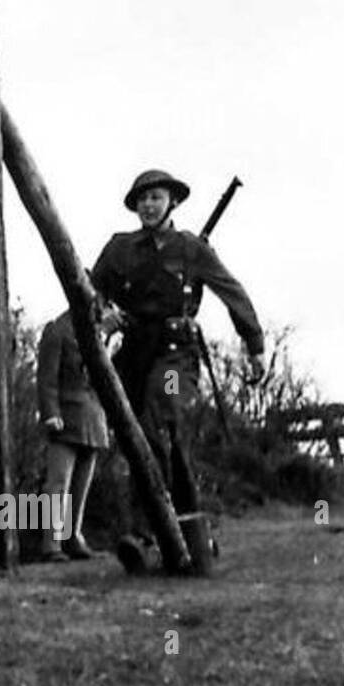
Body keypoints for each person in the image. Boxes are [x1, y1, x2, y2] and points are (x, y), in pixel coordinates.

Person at [91, 169, 264, 571]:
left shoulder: (191, 249)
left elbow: (231, 290)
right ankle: (187, 531)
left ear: (172, 202)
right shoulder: (119, 249)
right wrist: (104, 316)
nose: (149, 205)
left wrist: (254, 345)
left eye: (156, 197)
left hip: (174, 357)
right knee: (146, 440)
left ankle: (147, 532)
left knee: (160, 411)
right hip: (134, 355)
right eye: (142, 200)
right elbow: (92, 289)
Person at [34, 307, 117, 561]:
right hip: (66, 418)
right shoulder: (57, 329)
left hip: (93, 418)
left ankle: (73, 537)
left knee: (81, 486)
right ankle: (52, 545)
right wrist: (50, 412)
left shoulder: (96, 332)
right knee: (58, 484)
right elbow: (46, 378)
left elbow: (100, 372)